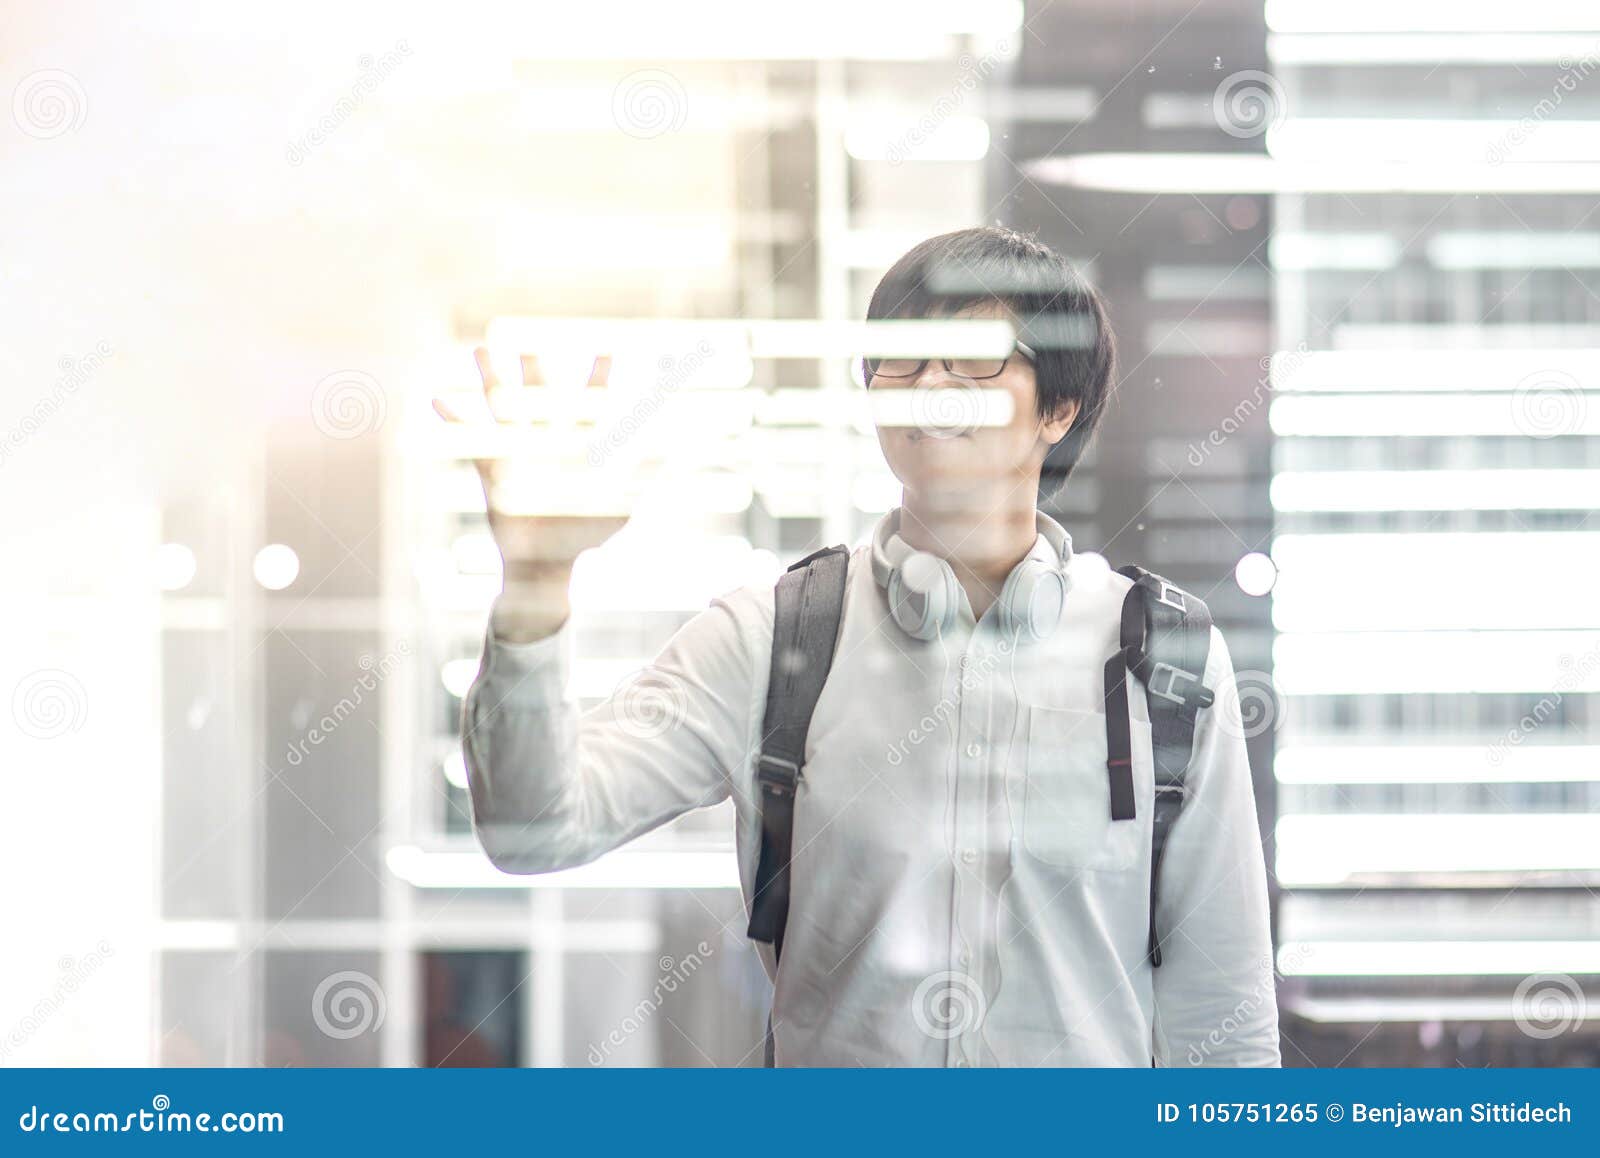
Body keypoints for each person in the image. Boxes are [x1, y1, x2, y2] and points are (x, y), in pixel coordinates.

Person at [440, 225, 1280, 1067]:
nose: (930, 386)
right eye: (902, 360)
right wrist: (534, 591)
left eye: (973, 359)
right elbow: (532, 829)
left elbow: (1227, 1023)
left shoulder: (1161, 662)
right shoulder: (776, 638)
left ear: (1058, 409)